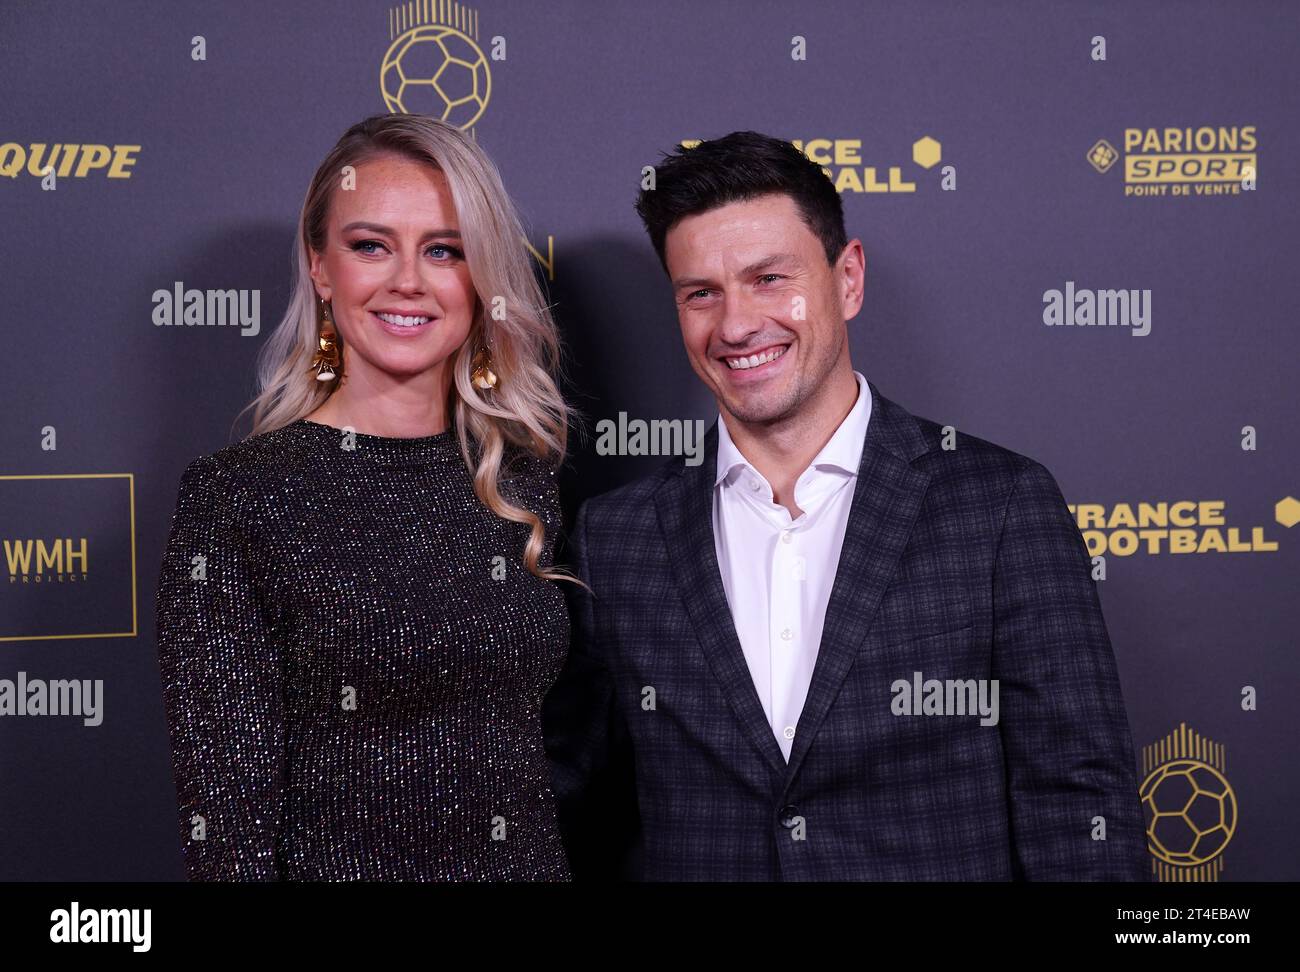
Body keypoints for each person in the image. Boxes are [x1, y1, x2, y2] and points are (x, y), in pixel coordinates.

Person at [544, 131, 1150, 880]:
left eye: (769, 279)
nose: (735, 326)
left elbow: (1082, 809)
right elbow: (566, 802)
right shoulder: (619, 537)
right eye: (702, 292)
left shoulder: (999, 508)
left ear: (849, 278)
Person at [156, 114, 576, 881]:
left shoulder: (521, 480)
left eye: (443, 250)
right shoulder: (239, 501)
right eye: (370, 246)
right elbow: (229, 833)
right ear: (321, 267)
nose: (407, 281)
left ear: (480, 277)